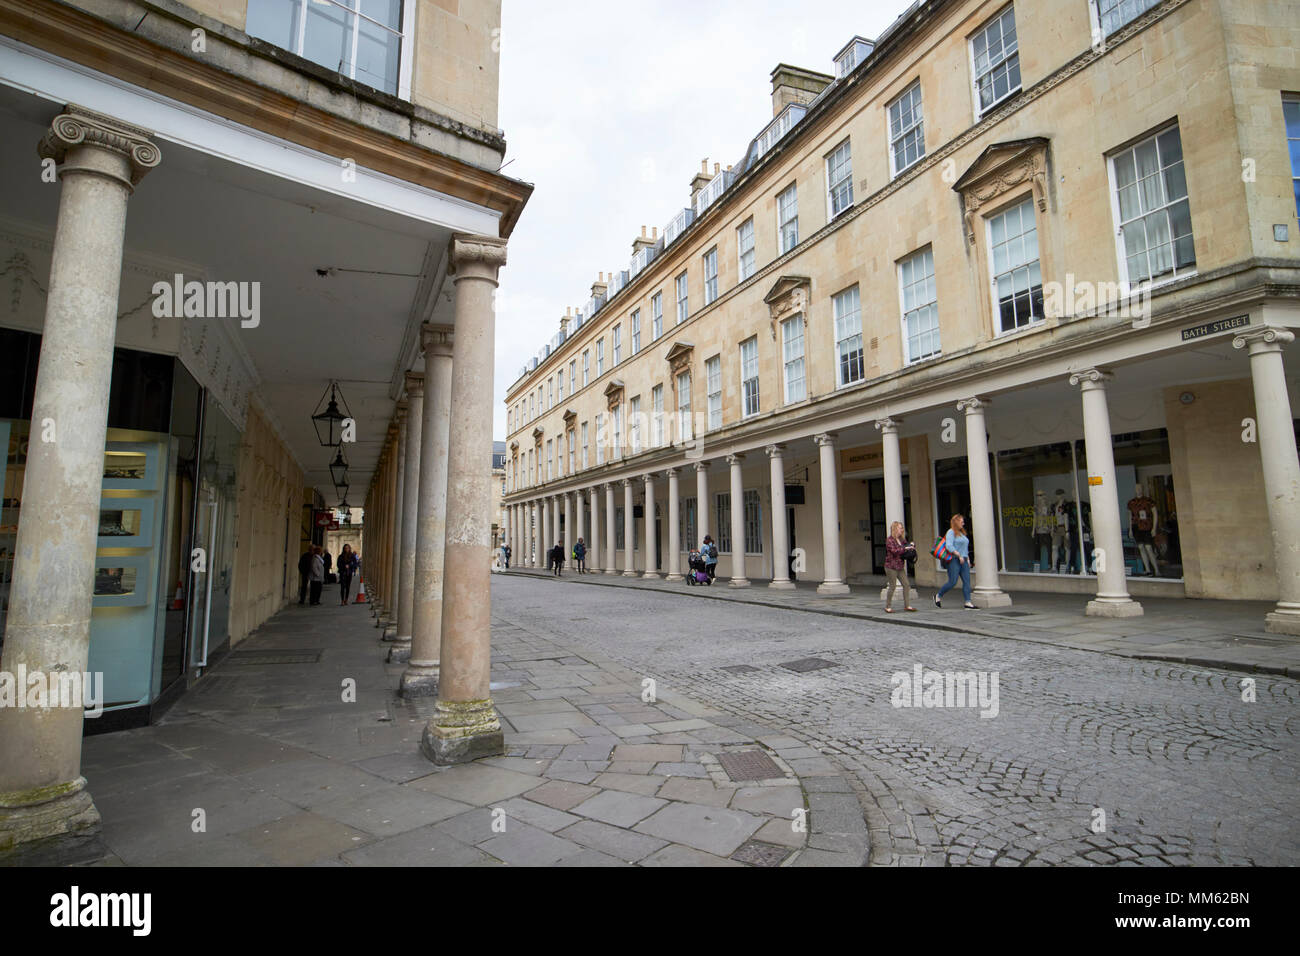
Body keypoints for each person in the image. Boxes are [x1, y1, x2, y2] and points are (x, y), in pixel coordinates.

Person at [935, 514, 975, 609]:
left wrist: (968, 559)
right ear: (956, 522)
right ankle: (938, 595)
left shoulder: (962, 533)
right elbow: (949, 546)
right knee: (952, 582)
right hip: (954, 559)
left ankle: (968, 602)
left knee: (967, 581)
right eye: (961, 522)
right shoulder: (951, 532)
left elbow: (965, 548)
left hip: (964, 559)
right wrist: (958, 555)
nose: (963, 523)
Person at [884, 521, 918, 613]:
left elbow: (906, 546)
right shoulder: (889, 540)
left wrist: (911, 546)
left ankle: (907, 605)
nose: (902, 530)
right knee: (892, 586)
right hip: (891, 566)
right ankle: (888, 606)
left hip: (900, 566)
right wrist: (905, 549)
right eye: (900, 528)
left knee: (906, 584)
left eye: (902, 528)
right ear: (895, 529)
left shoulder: (901, 539)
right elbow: (894, 551)